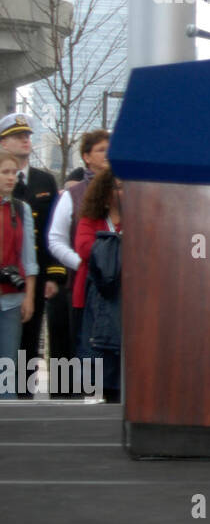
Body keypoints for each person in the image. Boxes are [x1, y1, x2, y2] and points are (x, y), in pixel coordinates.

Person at [0, 113, 60, 399]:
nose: (26, 140)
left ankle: (22, 405)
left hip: (28, 280)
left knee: (26, 343)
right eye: (17, 136)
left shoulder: (43, 179)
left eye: (28, 135)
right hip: (10, 280)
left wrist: (53, 275)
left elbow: (51, 232)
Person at [47, 128, 110, 389]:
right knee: (83, 350)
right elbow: (55, 239)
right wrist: (83, 263)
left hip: (117, 288)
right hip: (84, 285)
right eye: (101, 150)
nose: (108, 155)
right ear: (86, 156)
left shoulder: (126, 189)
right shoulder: (74, 195)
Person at [74, 167, 122, 401]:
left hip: (126, 302)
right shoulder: (91, 218)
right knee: (94, 355)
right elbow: (84, 248)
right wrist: (118, 246)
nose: (123, 193)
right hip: (95, 298)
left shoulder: (138, 219)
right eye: (118, 188)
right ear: (105, 192)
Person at [0, 150, 36, 400]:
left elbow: (29, 260)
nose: (11, 178)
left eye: (14, 173)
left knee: (7, 366)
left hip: (12, 299)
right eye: (5, 172)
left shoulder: (21, 210)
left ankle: (7, 427)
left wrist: (29, 297)